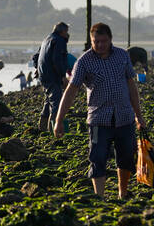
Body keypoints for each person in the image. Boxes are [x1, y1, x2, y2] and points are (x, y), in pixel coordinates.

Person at [55, 23, 146, 199]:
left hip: (124, 116)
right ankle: (100, 196)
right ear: (91, 41)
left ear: (110, 39)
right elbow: (71, 90)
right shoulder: (84, 62)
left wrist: (138, 115)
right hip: (98, 119)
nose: (100, 45)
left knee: (126, 156)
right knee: (97, 158)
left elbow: (131, 85)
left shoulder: (122, 56)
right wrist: (59, 119)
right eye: (96, 41)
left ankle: (123, 192)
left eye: (103, 41)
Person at [36, 22, 71, 132]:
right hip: (52, 75)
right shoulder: (59, 41)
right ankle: (55, 129)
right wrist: (62, 76)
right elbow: (57, 60)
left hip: (43, 75)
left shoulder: (46, 39)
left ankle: (42, 126)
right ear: (63, 31)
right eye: (67, 32)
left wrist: (37, 69)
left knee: (48, 99)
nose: (68, 35)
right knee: (56, 101)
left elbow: (36, 56)